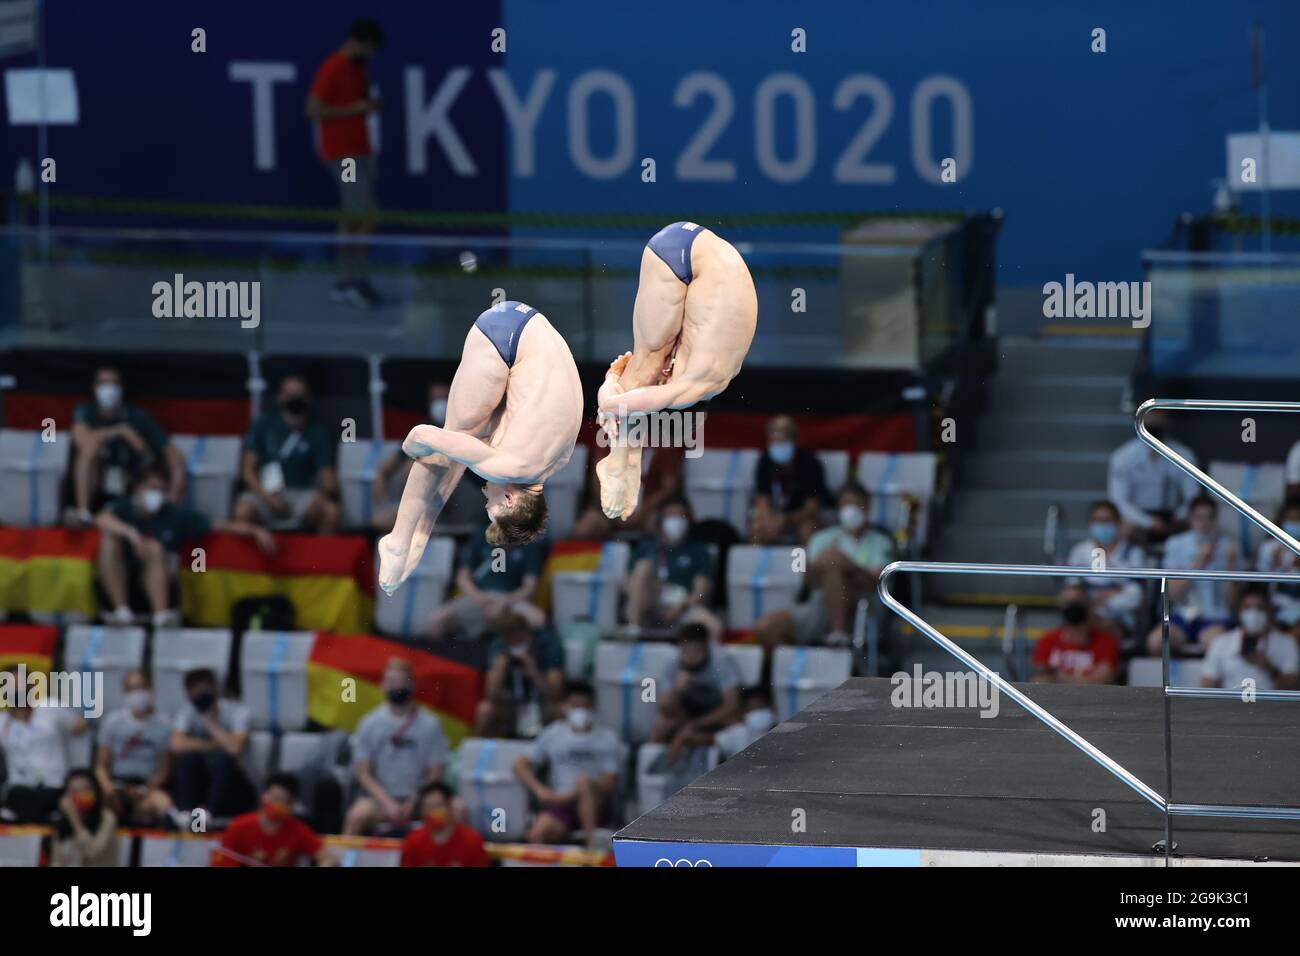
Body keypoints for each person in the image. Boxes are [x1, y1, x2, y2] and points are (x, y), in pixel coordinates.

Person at [378, 301, 583, 593]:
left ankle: (419, 534)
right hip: (503, 335)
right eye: (492, 505)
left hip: (535, 327)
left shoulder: (556, 463)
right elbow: (424, 436)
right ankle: (400, 539)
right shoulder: (508, 467)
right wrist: (411, 447)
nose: (486, 495)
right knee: (454, 439)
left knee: (469, 441)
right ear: (511, 500)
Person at [595, 222, 758, 519]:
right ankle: (621, 458)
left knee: (653, 362)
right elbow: (616, 403)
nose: (665, 373)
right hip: (678, 254)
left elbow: (623, 402)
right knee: (650, 361)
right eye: (664, 382)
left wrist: (612, 387)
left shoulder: (716, 376)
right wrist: (611, 384)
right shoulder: (696, 385)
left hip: (707, 255)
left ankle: (628, 454)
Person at [96, 461, 275, 626]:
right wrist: (132, 534)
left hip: (160, 572)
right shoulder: (124, 507)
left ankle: (161, 615)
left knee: (154, 547)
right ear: (138, 488)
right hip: (121, 571)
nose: (156, 495)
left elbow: (218, 525)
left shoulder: (175, 515)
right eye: (151, 488)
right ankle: (122, 611)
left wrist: (255, 530)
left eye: (161, 490)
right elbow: (102, 519)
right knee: (109, 540)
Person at [755, 484, 894, 648]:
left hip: (861, 610)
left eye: (856, 504)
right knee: (766, 628)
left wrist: (845, 564)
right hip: (820, 606)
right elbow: (808, 581)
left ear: (868, 507)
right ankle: (810, 659)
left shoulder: (881, 542)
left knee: (832, 560)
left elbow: (877, 583)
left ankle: (838, 633)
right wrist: (830, 563)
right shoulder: (821, 538)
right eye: (845, 504)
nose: (850, 509)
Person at [307, 17, 385, 308]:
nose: (373, 55)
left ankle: (345, 280)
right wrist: (355, 108)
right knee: (364, 215)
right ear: (358, 42)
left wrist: (368, 106)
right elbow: (313, 110)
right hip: (344, 155)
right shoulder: (333, 67)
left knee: (353, 216)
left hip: (362, 151)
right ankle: (354, 280)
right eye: (371, 48)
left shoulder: (359, 69)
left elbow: (361, 104)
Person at [66, 366, 184, 527]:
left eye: (114, 383)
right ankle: (83, 512)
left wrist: (172, 492)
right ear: (94, 388)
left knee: (174, 463)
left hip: (131, 484)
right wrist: (121, 431)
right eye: (103, 383)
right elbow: (82, 440)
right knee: (90, 448)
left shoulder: (138, 416)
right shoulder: (85, 411)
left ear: (122, 388)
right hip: (97, 483)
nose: (109, 389)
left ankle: (167, 518)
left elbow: (171, 453)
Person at [512, 682, 622, 848]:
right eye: (575, 706)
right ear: (565, 707)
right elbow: (519, 765)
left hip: (596, 802)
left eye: (585, 706)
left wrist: (579, 792)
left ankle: (591, 846)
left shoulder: (607, 737)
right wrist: (541, 791)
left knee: (583, 781)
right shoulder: (553, 733)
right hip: (561, 804)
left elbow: (610, 781)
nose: (580, 711)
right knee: (537, 834)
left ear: (593, 708)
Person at [345, 659, 449, 835]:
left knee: (457, 810)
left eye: (403, 682)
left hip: (421, 799)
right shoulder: (369, 723)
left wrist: (414, 801)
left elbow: (435, 773)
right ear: (383, 685)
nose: (397, 687)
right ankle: (344, 861)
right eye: (392, 682)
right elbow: (363, 773)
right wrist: (387, 803)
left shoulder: (431, 724)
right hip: (379, 799)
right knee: (356, 817)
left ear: (412, 686)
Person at [370, 382, 486, 531]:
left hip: (468, 492)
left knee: (434, 464)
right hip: (433, 498)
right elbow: (389, 465)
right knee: (411, 465)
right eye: (435, 399)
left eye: (444, 398)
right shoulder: (423, 428)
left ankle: (418, 519)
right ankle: (414, 517)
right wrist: (380, 476)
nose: (440, 404)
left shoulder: (471, 428)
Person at [234, 374, 341, 533]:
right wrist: (266, 497)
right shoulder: (262, 425)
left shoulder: (318, 432)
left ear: (308, 398)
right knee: (243, 511)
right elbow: (247, 472)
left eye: (299, 395)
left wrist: (320, 496)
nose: (294, 399)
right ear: (280, 397)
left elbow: (329, 480)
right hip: (265, 492)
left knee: (331, 512)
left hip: (302, 494)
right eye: (290, 394)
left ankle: (318, 557)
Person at [1145, 495, 1237, 656]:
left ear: (1216, 519)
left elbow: (1232, 602)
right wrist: (1198, 564)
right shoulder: (1176, 544)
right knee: (1155, 642)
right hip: (1183, 615)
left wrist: (1230, 568)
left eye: (1209, 518)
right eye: (1199, 518)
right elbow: (1172, 594)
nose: (1204, 524)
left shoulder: (1229, 547)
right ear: (1191, 519)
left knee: (1218, 646)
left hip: (1215, 617)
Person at [623, 496, 721, 638]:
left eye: (680, 516)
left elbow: (701, 591)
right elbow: (627, 583)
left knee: (713, 626)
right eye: (670, 516)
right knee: (643, 567)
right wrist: (646, 594)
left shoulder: (698, 550)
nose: (675, 521)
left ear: (688, 519)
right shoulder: (646, 547)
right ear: (660, 520)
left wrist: (680, 608)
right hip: (650, 602)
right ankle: (633, 629)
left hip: (681, 604)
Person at [0, 668, 88, 823]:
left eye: (20, 685)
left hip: (56, 784)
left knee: (53, 799)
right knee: (23, 798)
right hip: (20, 786)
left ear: (31, 686)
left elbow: (80, 727)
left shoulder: (50, 707)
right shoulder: (2, 722)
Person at [428, 529, 546, 640]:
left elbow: (529, 587)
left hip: (510, 600)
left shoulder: (529, 543)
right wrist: (480, 598)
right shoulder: (482, 535)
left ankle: (526, 656)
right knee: (436, 621)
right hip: (478, 597)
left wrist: (505, 601)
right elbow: (463, 577)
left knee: (537, 619)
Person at [170, 668, 256, 819]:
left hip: (232, 783)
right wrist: (214, 744)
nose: (201, 698)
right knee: (186, 760)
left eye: (205, 692)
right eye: (196, 694)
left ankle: (207, 815)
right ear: (188, 695)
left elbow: (234, 748)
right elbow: (176, 745)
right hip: (200, 780)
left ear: (216, 689)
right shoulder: (187, 712)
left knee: (223, 759)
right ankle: (185, 813)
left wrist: (209, 720)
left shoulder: (238, 712)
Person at [649, 623, 742, 761]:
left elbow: (731, 706)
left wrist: (695, 724)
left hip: (715, 715)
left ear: (706, 647)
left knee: (735, 725)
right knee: (662, 723)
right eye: (685, 652)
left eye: (696, 652)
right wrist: (676, 690)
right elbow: (665, 707)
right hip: (686, 714)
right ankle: (650, 768)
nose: (690, 657)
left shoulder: (721, 661)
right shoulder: (672, 663)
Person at [1107, 408, 1200, 544]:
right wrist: (1148, 522)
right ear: (1138, 418)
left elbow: (1193, 497)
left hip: (1174, 518)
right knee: (1124, 526)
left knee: (1198, 520)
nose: (1154, 420)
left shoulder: (1184, 454)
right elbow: (1118, 500)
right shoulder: (1122, 456)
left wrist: (1179, 517)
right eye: (1150, 414)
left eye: (1158, 414)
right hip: (1138, 519)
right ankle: (1129, 561)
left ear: (1166, 419)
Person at [94, 670, 174, 826]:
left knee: (164, 804)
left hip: (147, 785)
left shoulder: (163, 724)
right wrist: (108, 788)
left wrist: (146, 788)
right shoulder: (112, 722)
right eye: (132, 689)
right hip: (118, 784)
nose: (138, 693)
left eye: (141, 687)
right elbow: (100, 767)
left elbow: (164, 770)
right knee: (108, 807)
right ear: (125, 693)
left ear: (151, 690)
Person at [213, 773, 338, 867]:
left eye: (285, 802)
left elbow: (329, 858)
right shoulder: (238, 826)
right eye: (275, 798)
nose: (278, 805)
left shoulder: (297, 829)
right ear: (264, 796)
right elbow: (222, 861)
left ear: (292, 805)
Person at [1064, 499, 1146, 640]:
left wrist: (1107, 603)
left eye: (1107, 520)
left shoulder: (1133, 552)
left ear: (1118, 523)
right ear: (1090, 524)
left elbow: (1135, 595)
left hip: (1121, 618)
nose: (1102, 525)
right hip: (1086, 614)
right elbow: (1072, 588)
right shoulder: (1080, 551)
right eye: (1097, 520)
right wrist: (1111, 592)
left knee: (1106, 629)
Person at [474, 611, 565, 738]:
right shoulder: (497, 646)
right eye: (508, 640)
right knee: (485, 710)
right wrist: (499, 671)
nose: (513, 643)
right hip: (510, 704)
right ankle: (478, 754)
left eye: (517, 639)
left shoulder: (548, 645)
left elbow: (555, 693)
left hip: (540, 702)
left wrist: (535, 673)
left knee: (561, 710)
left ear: (525, 632)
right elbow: (491, 695)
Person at [749, 415, 833, 545]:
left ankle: (806, 565)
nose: (777, 446)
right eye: (773, 441)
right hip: (776, 516)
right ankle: (757, 564)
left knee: (808, 529)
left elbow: (812, 508)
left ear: (794, 440)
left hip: (802, 518)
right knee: (758, 527)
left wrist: (785, 519)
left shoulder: (810, 463)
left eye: (782, 441)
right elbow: (762, 498)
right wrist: (768, 519)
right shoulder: (765, 461)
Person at [1201, 588, 1299, 692]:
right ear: (1240, 611)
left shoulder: (1287, 643)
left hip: (1271, 706)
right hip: (1231, 705)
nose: (1253, 613)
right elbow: (1207, 684)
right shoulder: (1221, 642)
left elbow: (1292, 688)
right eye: (1247, 607)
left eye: (1260, 608)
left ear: (1269, 611)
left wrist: (1267, 667)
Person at [1030, 584, 1120, 685]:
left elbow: (1103, 681)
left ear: (1087, 605)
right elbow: (1040, 680)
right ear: (1061, 606)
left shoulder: (1105, 641)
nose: (1072, 606)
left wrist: (1060, 676)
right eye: (1068, 602)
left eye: (1077, 601)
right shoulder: (1048, 639)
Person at [399, 782, 491, 867]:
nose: (432, 812)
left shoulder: (472, 841)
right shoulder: (413, 842)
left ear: (449, 806)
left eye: (437, 806)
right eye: (427, 807)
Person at [49, 769, 119, 867]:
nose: (79, 795)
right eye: (74, 791)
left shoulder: (108, 818)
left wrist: (74, 819)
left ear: (95, 792)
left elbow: (92, 852)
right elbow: (56, 860)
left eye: (85, 790)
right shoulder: (62, 821)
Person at [1254, 499, 1300, 636]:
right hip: (1276, 606)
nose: (1294, 523)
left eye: (1298, 519)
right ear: (1282, 519)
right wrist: (1274, 565)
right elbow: (1259, 584)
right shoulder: (1268, 548)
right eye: (1290, 518)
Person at [713, 686, 776, 760]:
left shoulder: (784, 728)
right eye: (752, 710)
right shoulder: (738, 732)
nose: (757, 714)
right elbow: (711, 740)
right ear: (743, 712)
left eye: (761, 707)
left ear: (771, 706)